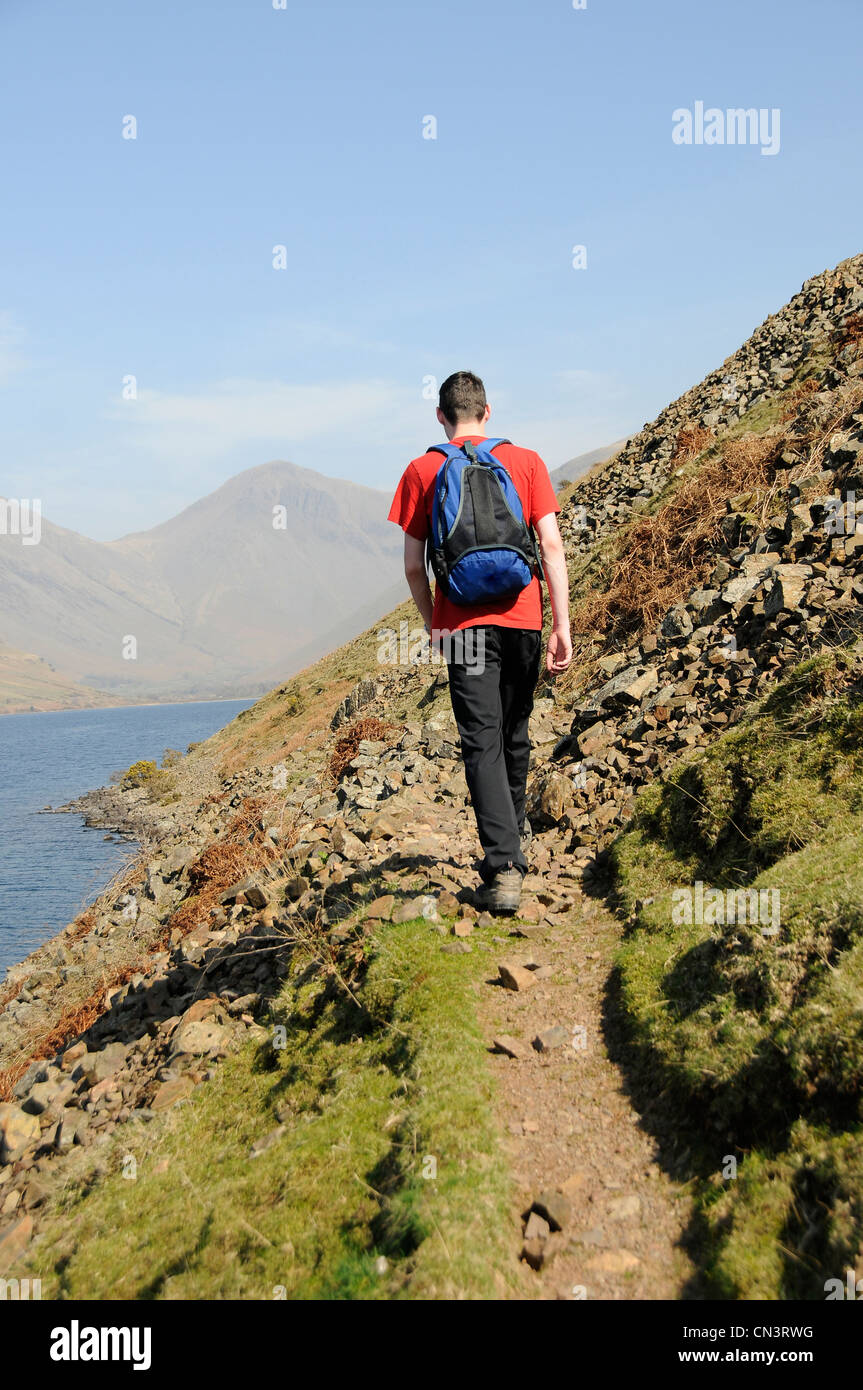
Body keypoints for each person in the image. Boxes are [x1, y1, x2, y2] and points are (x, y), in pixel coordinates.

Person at [388, 370, 572, 912]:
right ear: (487, 412)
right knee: (515, 730)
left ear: (441, 417)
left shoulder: (423, 469)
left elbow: (412, 568)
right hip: (523, 619)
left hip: (463, 627)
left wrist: (434, 622)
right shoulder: (528, 462)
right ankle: (513, 841)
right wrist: (561, 623)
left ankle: (504, 864)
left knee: (481, 740)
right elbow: (553, 548)